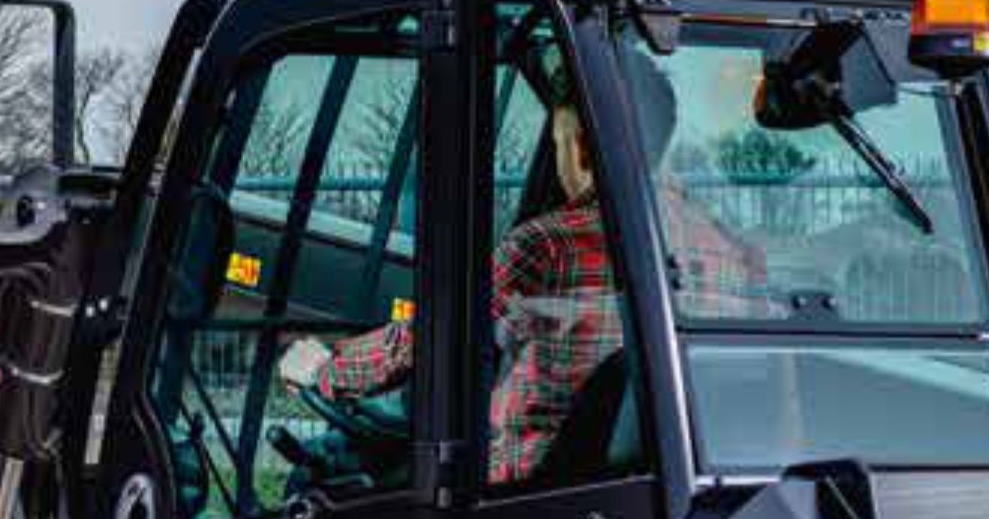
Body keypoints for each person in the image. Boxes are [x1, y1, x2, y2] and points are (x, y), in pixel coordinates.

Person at [279, 80, 762, 487]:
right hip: (655, 480)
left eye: (556, 144)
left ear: (580, 147)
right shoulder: (731, 253)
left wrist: (327, 369)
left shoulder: (545, 247)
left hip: (530, 494)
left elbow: (434, 341)